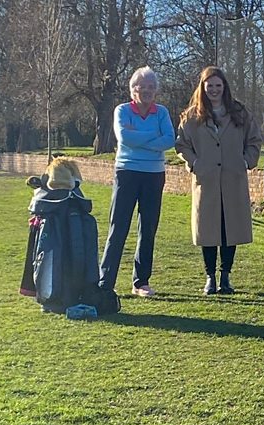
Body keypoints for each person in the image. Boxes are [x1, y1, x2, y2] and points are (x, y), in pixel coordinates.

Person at [175, 67, 263, 295]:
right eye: (210, 86)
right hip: (206, 180)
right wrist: (194, 163)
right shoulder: (191, 116)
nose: (214, 90)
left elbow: (254, 140)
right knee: (207, 229)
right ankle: (210, 277)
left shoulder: (240, 113)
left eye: (218, 85)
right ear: (203, 88)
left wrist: (246, 161)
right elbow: (182, 145)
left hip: (233, 178)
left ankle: (225, 276)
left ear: (224, 87)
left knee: (229, 228)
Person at [98, 66, 175, 297]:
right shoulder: (122, 110)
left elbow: (169, 140)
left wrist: (139, 137)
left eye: (152, 87)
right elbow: (124, 138)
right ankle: (106, 281)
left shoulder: (161, 112)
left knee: (148, 228)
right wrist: (153, 136)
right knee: (118, 226)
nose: (147, 91)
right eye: (143, 87)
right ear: (133, 89)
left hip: (154, 174)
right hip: (127, 173)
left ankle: (141, 282)